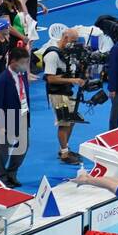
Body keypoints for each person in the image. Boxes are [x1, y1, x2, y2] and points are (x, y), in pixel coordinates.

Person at [41, 28, 85, 165]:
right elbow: (51, 79)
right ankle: (64, 154)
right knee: (63, 123)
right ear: (65, 38)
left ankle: (64, 148)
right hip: (57, 94)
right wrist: (73, 80)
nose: (75, 44)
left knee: (71, 120)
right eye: (73, 41)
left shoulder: (67, 53)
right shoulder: (52, 55)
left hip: (67, 92)